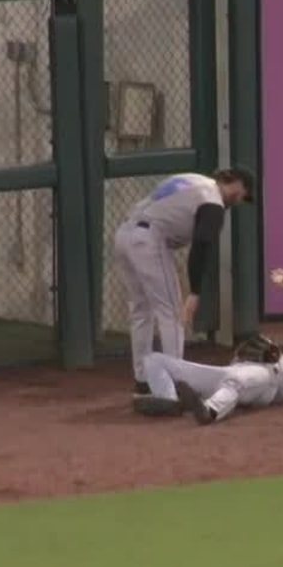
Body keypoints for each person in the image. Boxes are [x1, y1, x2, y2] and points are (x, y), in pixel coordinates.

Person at [114, 168, 254, 397]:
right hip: (148, 239)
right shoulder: (213, 202)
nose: (240, 200)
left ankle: (143, 381)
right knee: (171, 313)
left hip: (124, 235)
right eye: (243, 193)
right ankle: (174, 384)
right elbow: (202, 246)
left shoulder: (193, 179)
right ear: (235, 182)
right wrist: (195, 293)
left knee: (141, 311)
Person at [134, 268, 283, 425]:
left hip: (263, 383)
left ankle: (210, 411)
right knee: (153, 360)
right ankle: (170, 400)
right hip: (231, 375)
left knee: (234, 381)